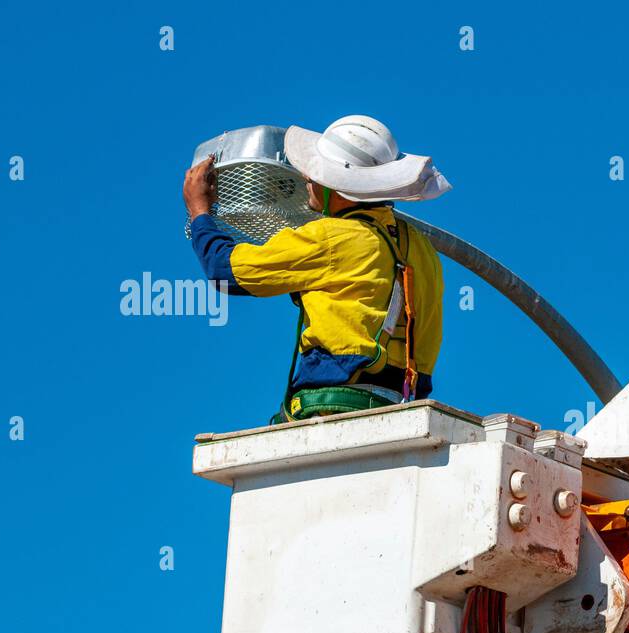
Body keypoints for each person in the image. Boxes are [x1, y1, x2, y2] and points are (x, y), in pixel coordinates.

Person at [183, 116, 450, 421]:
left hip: (334, 403)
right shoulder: (421, 248)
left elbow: (225, 270)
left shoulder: (329, 238)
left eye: (316, 172)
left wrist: (200, 211)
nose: (307, 177)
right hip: (400, 405)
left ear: (336, 187)